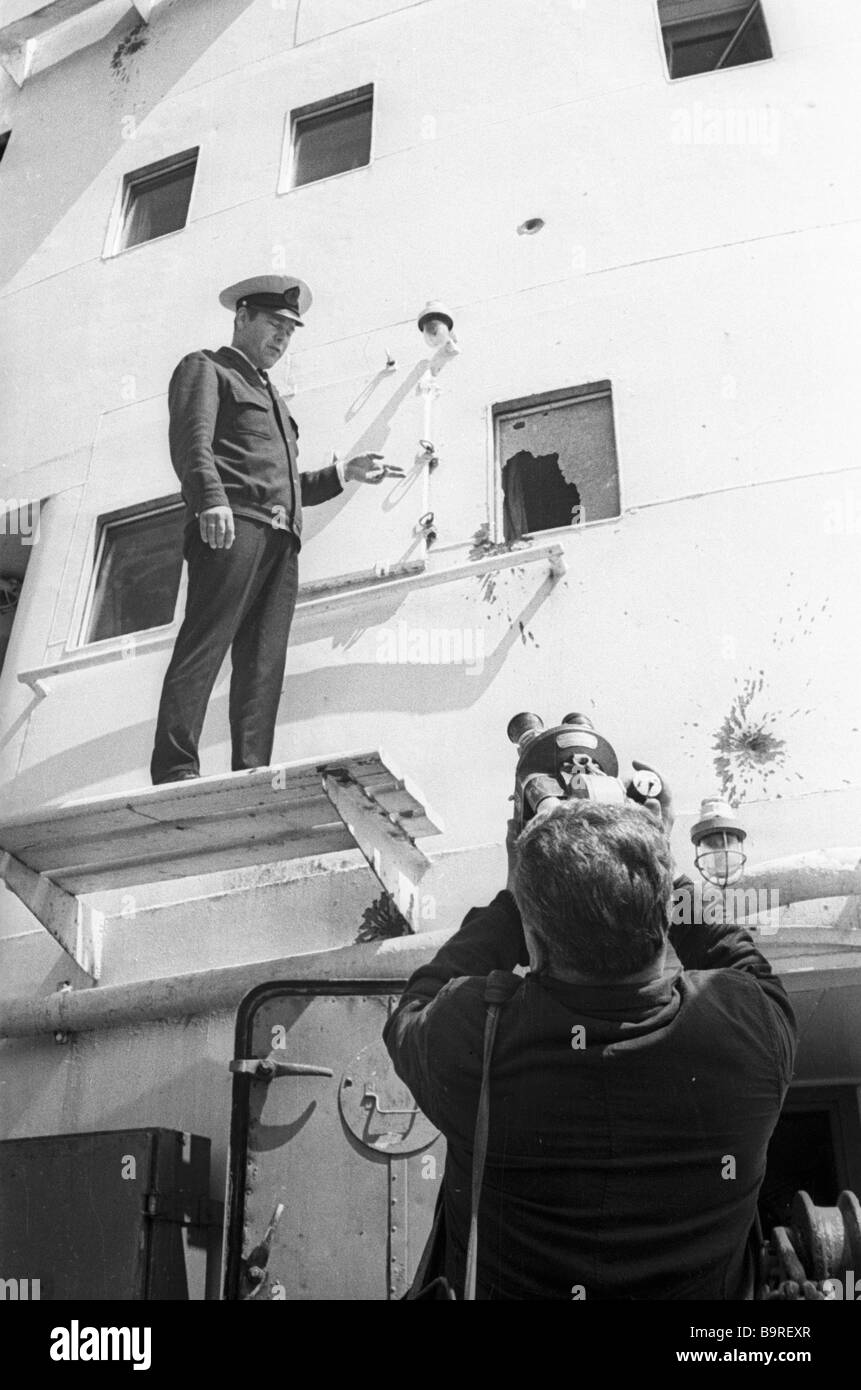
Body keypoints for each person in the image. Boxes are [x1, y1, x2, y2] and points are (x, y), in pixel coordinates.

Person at [383, 774, 797, 1300]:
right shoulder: (750, 1030)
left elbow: (415, 1003)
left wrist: (519, 888)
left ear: (533, 937)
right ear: (661, 914)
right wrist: (657, 862)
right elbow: (732, 950)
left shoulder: (474, 1036)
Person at [151, 275, 385, 784]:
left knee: (263, 665)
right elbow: (192, 442)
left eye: (290, 331)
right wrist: (211, 501)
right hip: (231, 527)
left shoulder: (273, 397)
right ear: (242, 318)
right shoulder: (207, 367)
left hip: (282, 540)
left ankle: (252, 770)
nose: (282, 337)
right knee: (204, 644)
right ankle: (175, 767)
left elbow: (281, 482)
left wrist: (343, 473)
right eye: (275, 325)